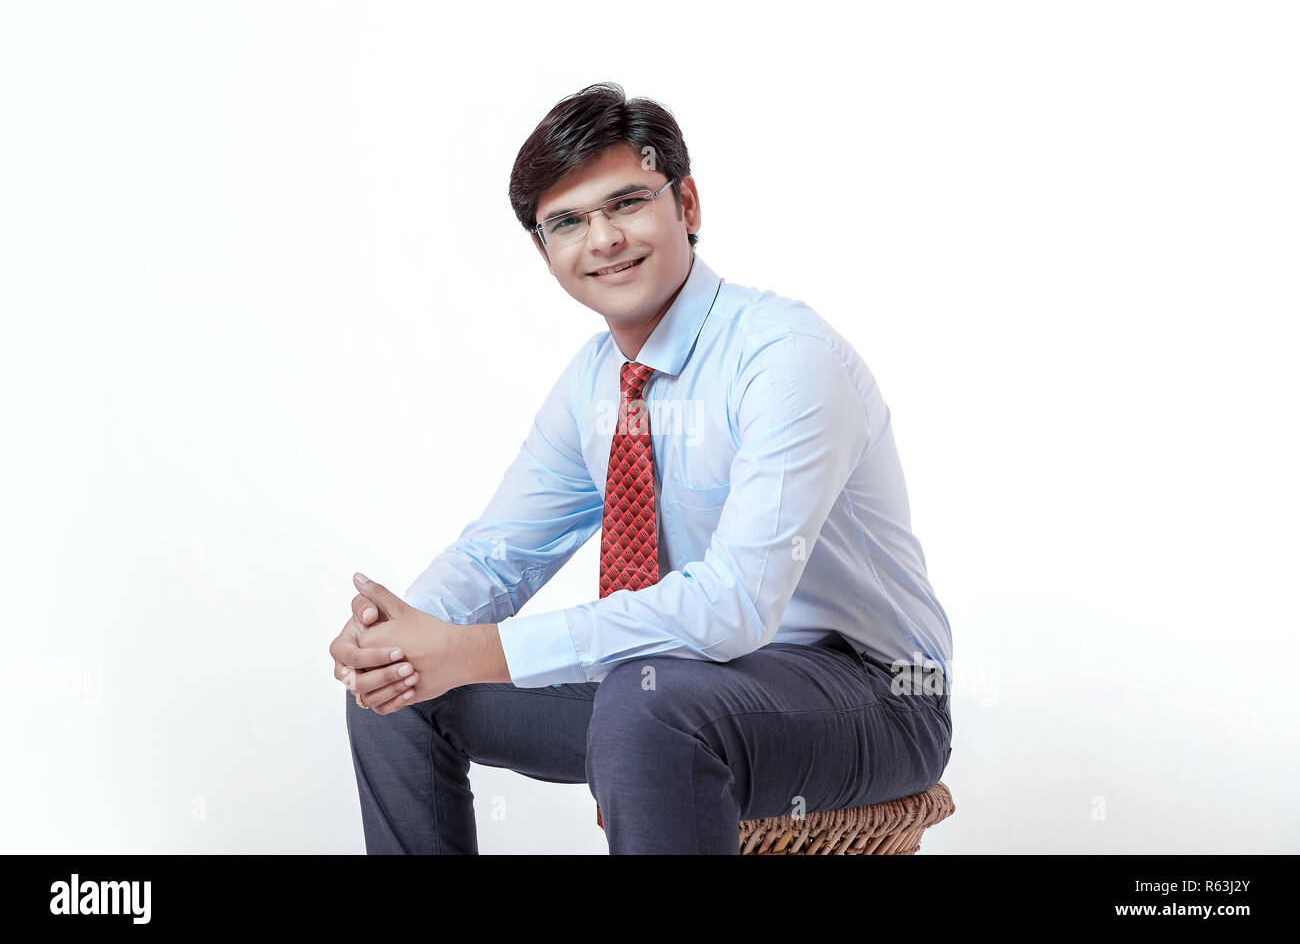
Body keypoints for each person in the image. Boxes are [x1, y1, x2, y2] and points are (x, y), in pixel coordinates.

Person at [331, 82, 953, 854]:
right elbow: (499, 552)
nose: (602, 239)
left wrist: (476, 651)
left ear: (686, 206)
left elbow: (735, 606)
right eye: (568, 221)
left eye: (626, 203)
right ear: (543, 249)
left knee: (645, 704)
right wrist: (401, 634)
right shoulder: (594, 384)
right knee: (397, 694)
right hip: (676, 684)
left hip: (875, 695)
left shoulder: (787, 359)